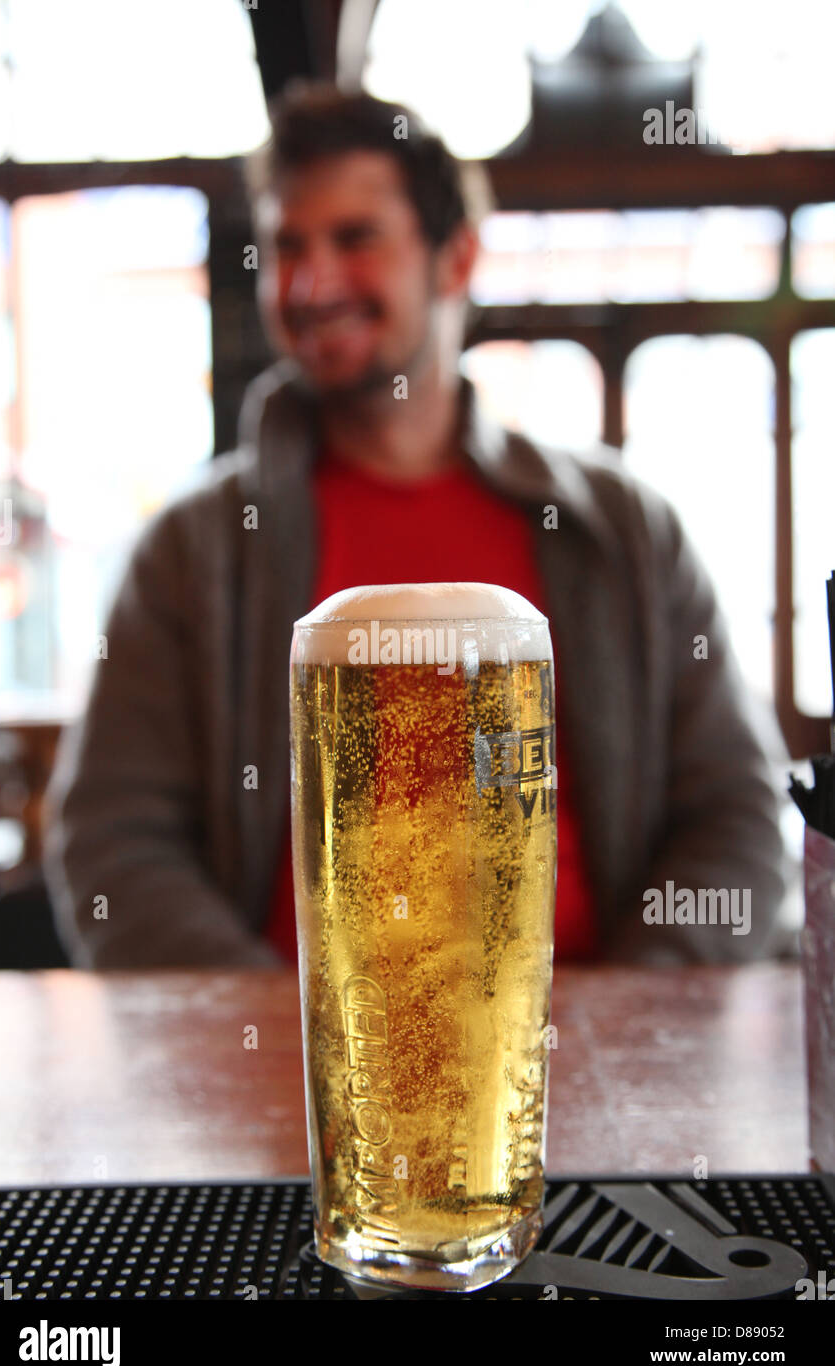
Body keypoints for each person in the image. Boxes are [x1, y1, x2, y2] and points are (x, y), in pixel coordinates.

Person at [42, 83, 794, 968]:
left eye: (354, 238)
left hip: (561, 1071)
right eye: (287, 247)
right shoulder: (196, 548)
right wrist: (288, 1046)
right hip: (307, 1087)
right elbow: (112, 845)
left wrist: (605, 1024)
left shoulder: (621, 527)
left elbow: (739, 817)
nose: (310, 283)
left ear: (456, 258)